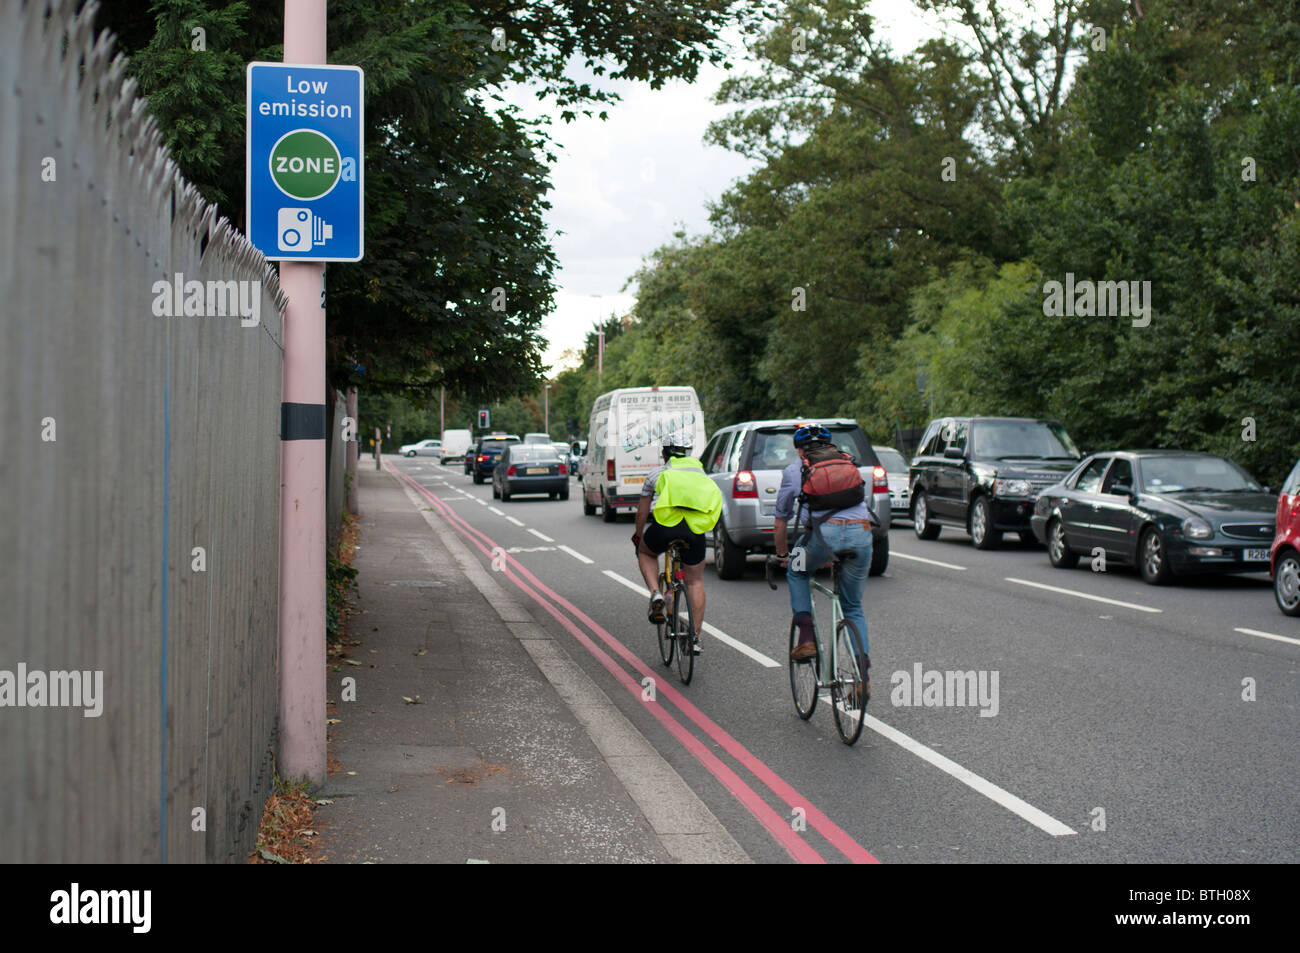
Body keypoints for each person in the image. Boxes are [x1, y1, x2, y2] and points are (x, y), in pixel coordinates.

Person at [772, 424, 874, 698]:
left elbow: (781, 520)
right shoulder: (848, 462)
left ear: (798, 449)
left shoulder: (794, 471)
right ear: (830, 445)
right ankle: (862, 675)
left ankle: (806, 638)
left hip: (821, 538)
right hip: (861, 535)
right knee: (853, 607)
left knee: (796, 570)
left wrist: (783, 555)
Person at [632, 440, 722, 655]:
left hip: (666, 527)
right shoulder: (701, 474)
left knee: (645, 552)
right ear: (688, 454)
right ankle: (695, 637)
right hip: (694, 530)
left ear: (664, 455)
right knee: (695, 581)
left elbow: (642, 512)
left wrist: (638, 535)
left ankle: (656, 593)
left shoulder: (657, 474)